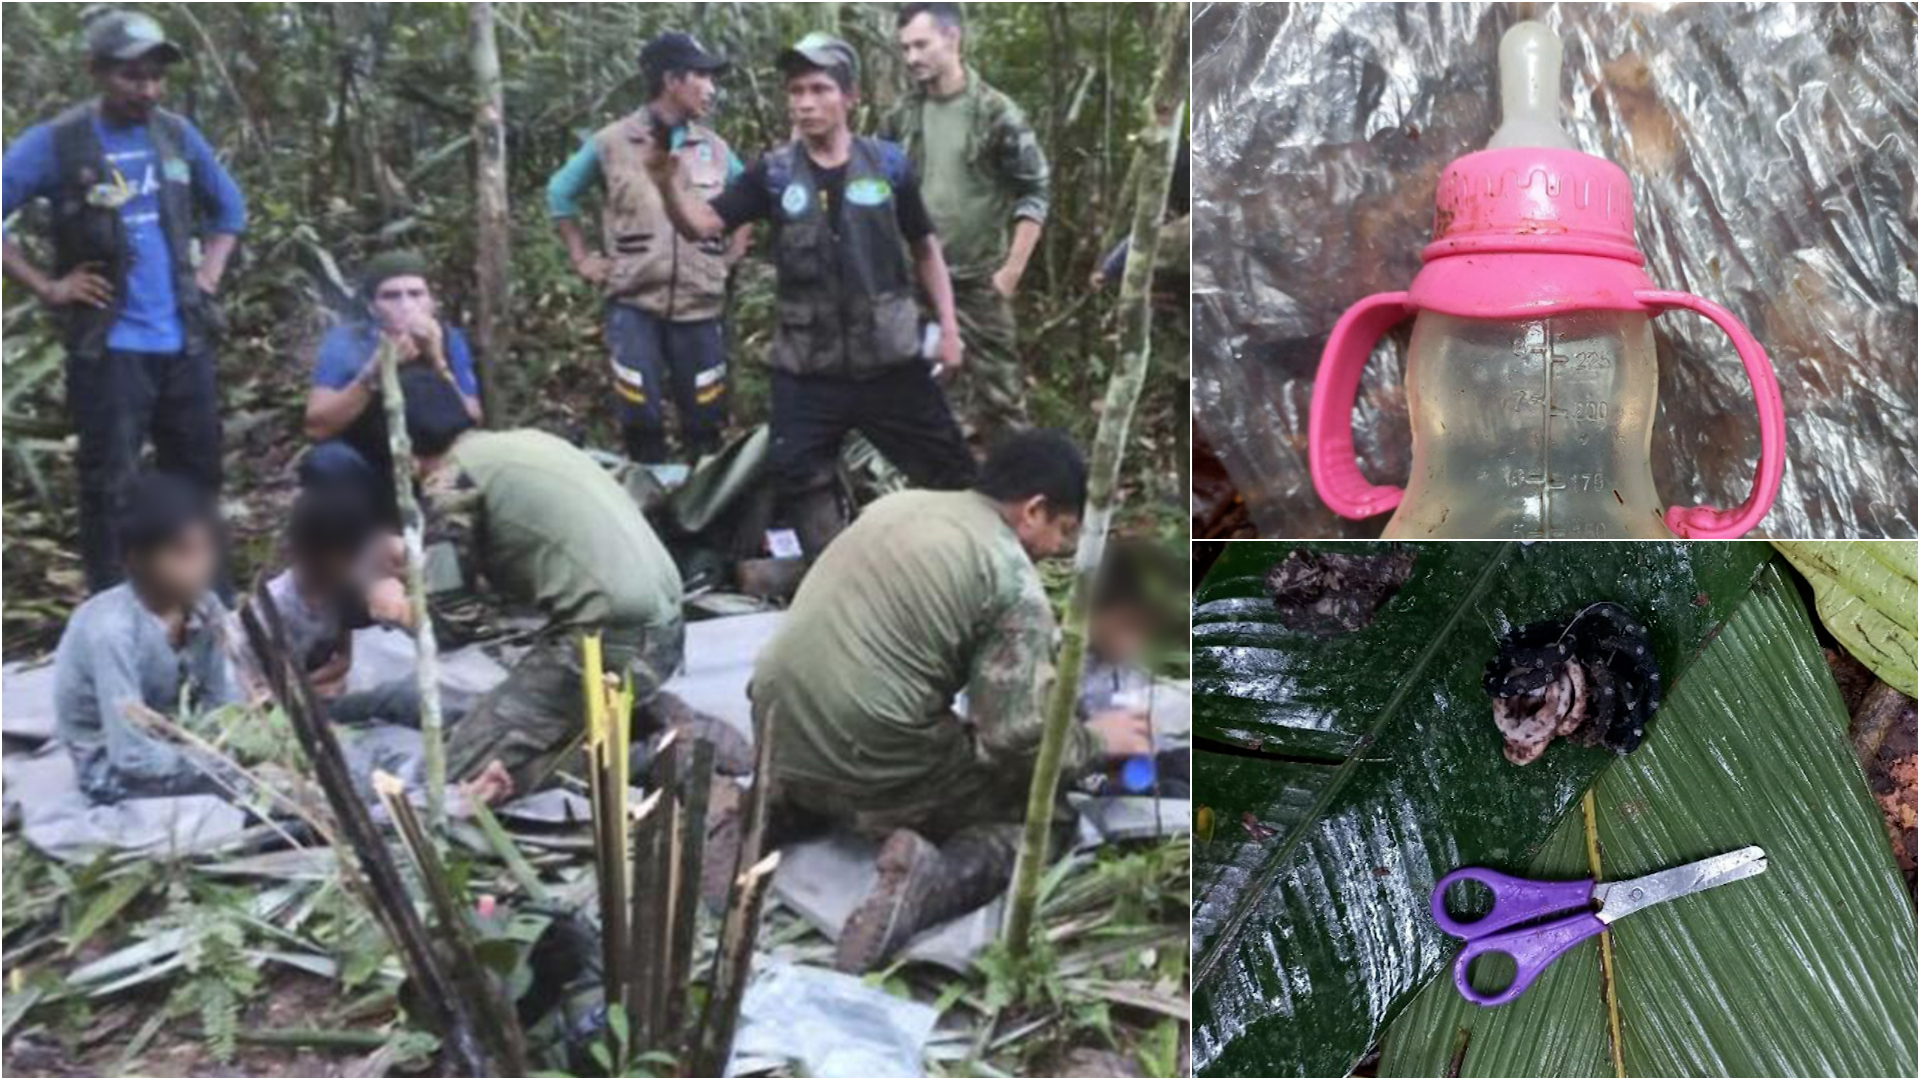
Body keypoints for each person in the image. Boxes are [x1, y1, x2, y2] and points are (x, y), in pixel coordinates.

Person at [749, 430, 1154, 972]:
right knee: (1045, 822)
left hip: (774, 726)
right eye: (1063, 530)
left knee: (876, 734)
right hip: (870, 753)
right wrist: (1096, 739)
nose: (1057, 550)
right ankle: (931, 882)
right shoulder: (1009, 577)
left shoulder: (898, 506)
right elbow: (1012, 739)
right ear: (1033, 509)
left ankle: (771, 808)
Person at [644, 31, 975, 555]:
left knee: (951, 473)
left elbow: (925, 247)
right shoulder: (772, 174)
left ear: (851, 98)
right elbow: (702, 225)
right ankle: (841, 575)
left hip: (890, 358)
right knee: (798, 472)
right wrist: (666, 184)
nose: (804, 103)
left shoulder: (888, 165)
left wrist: (949, 329)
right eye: (795, 91)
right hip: (807, 367)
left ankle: (963, 568)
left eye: (819, 89)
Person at [1, 9, 247, 591]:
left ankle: (214, 609)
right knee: (109, 483)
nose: (148, 89)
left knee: (198, 476)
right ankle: (116, 610)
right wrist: (47, 285)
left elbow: (229, 212)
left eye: (156, 76)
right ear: (95, 71)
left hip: (183, 341)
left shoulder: (175, 135)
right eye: (131, 76)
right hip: (109, 348)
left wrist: (207, 276)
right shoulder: (57, 143)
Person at [364, 368, 685, 798]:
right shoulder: (524, 443)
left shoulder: (451, 482)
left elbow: (452, 627)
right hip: (664, 630)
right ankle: (623, 723)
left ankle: (641, 760)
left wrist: (396, 606)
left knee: (451, 775)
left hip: (607, 644)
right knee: (495, 718)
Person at [548, 32, 751, 466]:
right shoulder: (611, 142)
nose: (711, 88)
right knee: (639, 412)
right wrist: (582, 258)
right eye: (702, 77)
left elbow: (747, 198)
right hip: (633, 302)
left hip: (700, 306)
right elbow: (560, 194)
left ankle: (704, 509)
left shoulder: (715, 149)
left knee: (706, 415)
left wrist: (732, 254)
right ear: (671, 80)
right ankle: (647, 503)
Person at [884, 2, 1050, 451]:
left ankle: (1018, 501)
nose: (912, 57)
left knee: (1001, 401)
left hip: (979, 282)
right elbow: (879, 194)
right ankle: (938, 495)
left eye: (921, 44)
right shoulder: (901, 116)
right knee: (922, 396)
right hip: (916, 283)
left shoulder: (996, 112)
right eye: (905, 48)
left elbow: (1034, 190)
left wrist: (1010, 273)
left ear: (952, 38)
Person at [52, 474, 242, 803]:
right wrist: (215, 763)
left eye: (205, 550)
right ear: (137, 559)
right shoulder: (112, 630)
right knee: (239, 795)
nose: (201, 565)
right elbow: (130, 755)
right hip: (110, 764)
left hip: (179, 739)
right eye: (183, 553)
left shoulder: (206, 606)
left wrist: (234, 741)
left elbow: (221, 701)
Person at [302, 251, 483, 519]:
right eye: (391, 296)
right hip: (372, 458)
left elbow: (473, 418)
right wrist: (374, 372)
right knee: (328, 463)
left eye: (415, 294)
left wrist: (437, 361)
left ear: (431, 301)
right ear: (372, 306)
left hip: (435, 460)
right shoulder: (348, 341)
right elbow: (317, 427)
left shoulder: (447, 337)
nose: (405, 305)